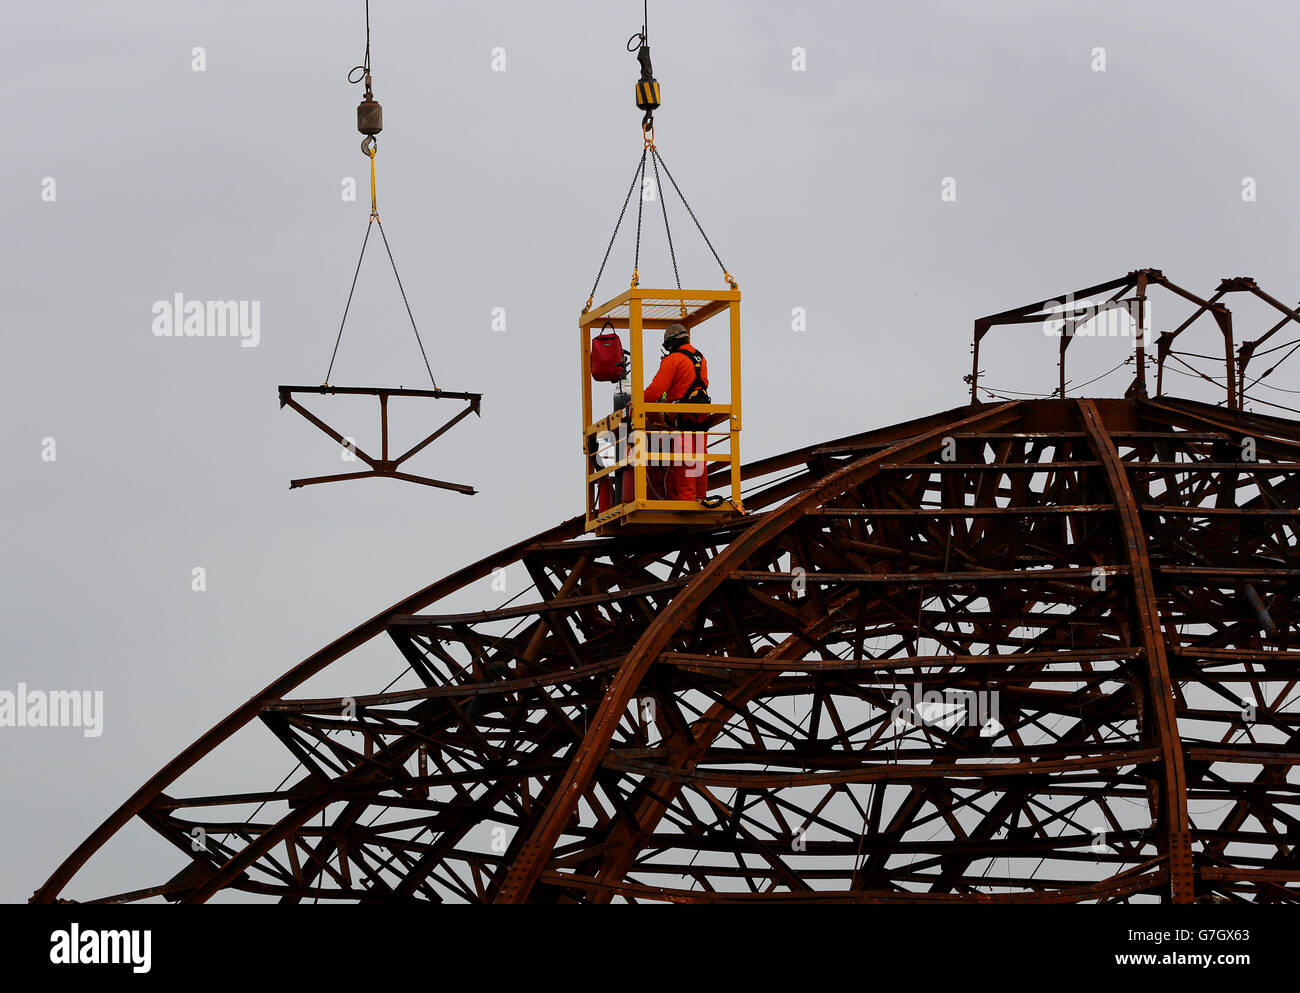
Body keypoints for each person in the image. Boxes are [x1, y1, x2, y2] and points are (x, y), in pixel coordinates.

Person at [642, 323, 709, 502]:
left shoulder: (673, 360)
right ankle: (700, 497)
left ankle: (686, 500)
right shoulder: (700, 358)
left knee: (684, 460)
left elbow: (655, 391)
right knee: (699, 460)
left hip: (682, 417)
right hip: (702, 415)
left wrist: (636, 403)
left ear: (670, 343)